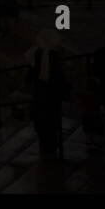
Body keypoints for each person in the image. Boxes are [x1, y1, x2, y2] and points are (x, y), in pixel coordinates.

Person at [26, 29, 69, 157]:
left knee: (41, 121)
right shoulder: (55, 55)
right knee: (52, 120)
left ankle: (45, 147)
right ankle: (52, 147)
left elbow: (29, 75)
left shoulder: (34, 53)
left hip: (39, 92)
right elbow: (60, 75)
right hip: (52, 93)